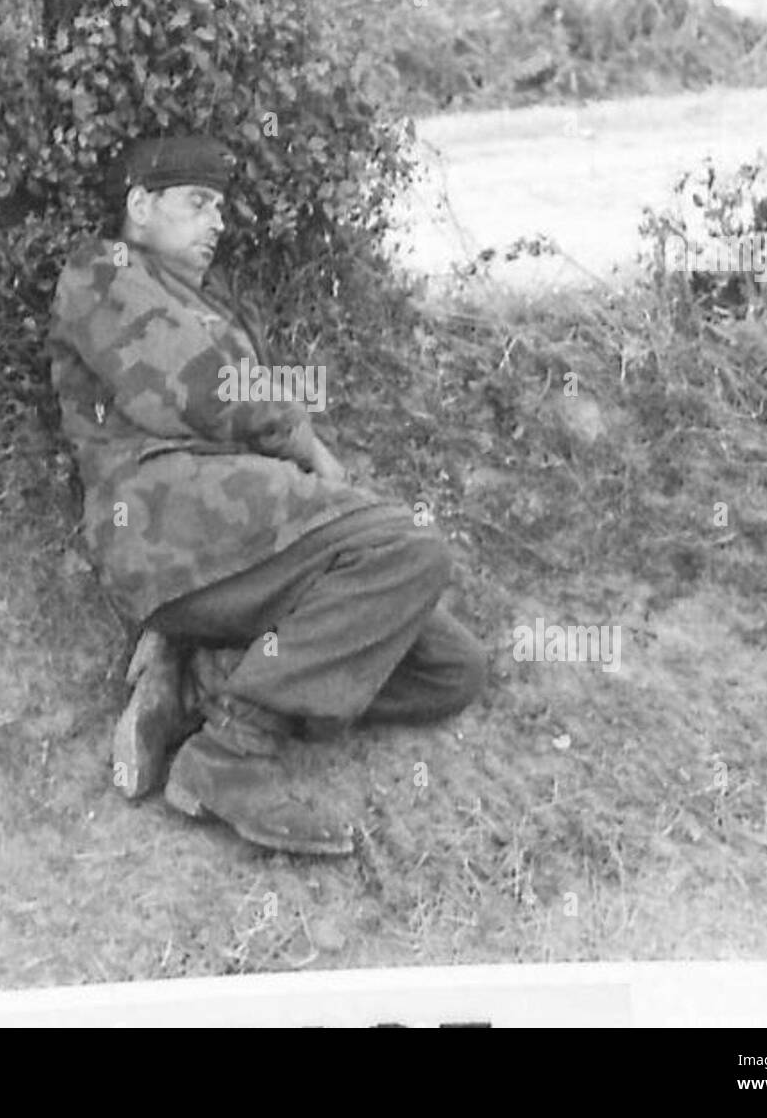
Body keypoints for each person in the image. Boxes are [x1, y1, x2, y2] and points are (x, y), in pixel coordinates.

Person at [49, 135, 486, 856]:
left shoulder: (211, 302)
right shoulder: (101, 272)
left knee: (449, 669)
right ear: (140, 206)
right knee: (406, 548)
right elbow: (200, 391)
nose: (216, 221)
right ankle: (232, 753)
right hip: (169, 526)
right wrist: (308, 447)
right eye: (197, 203)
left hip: (251, 539)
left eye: (220, 206)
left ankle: (201, 682)